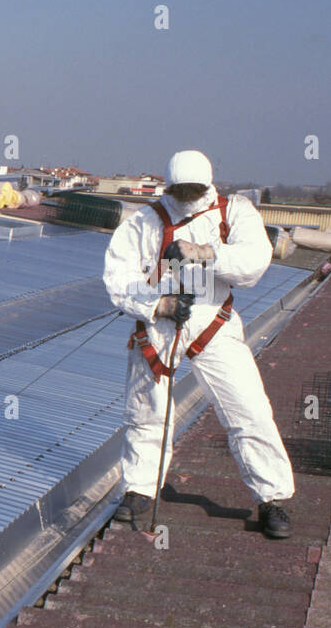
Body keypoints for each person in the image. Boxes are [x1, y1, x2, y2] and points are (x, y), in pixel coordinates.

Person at [102, 150, 293, 538]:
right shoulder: (145, 221)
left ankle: (271, 499)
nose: (187, 195)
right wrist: (157, 303)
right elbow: (118, 276)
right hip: (161, 327)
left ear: (208, 183)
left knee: (249, 410)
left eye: (194, 189)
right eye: (180, 189)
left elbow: (254, 262)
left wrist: (206, 253)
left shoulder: (234, 212)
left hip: (213, 323)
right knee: (146, 412)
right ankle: (139, 489)